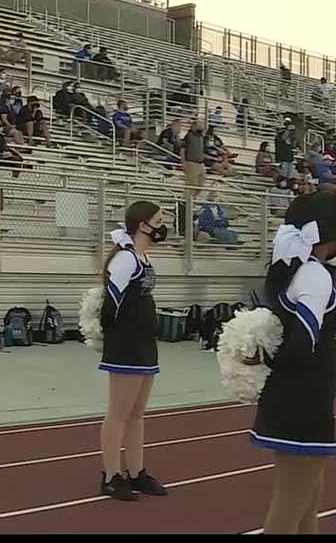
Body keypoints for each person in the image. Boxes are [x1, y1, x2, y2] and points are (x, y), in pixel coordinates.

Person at [249, 191, 336, 534]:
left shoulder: (292, 270)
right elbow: (303, 343)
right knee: (291, 501)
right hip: (306, 398)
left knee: (307, 498)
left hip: (294, 393)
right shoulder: (315, 275)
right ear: (334, 234)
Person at [97, 201, 169, 501]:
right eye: (160, 219)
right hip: (126, 347)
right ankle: (112, 475)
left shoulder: (144, 257)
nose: (164, 224)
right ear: (143, 224)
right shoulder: (126, 259)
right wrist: (122, 337)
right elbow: (109, 307)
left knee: (137, 413)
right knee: (118, 413)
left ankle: (136, 472)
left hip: (145, 346)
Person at [182, 119, 206, 191]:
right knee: (191, 185)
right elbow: (182, 149)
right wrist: (183, 163)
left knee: (200, 185)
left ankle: (192, 199)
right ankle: (187, 201)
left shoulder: (201, 137)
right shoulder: (188, 136)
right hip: (192, 163)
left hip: (201, 164)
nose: (201, 127)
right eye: (199, 125)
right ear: (194, 126)